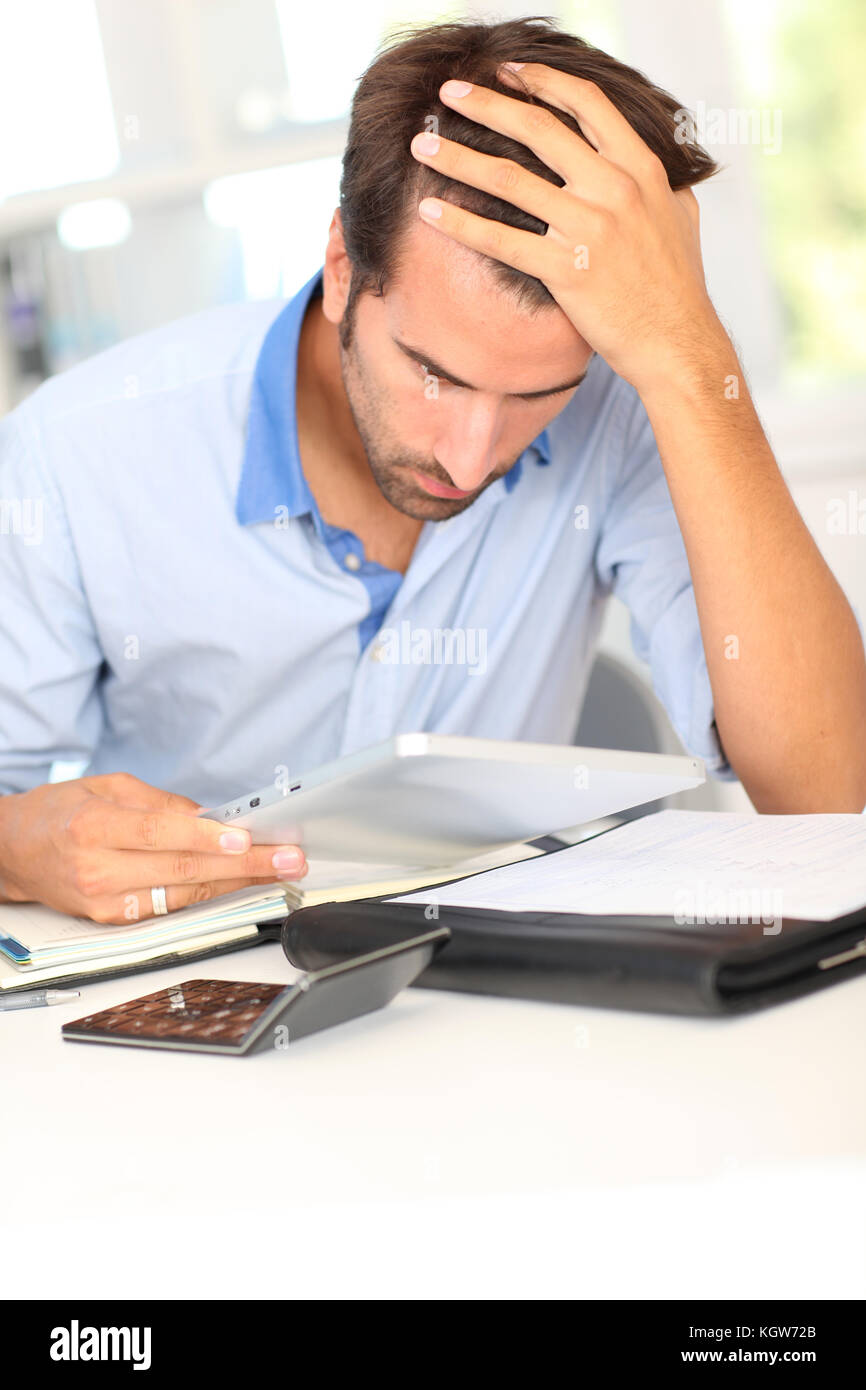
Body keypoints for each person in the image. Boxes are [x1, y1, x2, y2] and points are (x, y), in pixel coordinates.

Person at [1, 18, 864, 926]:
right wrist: (20, 849)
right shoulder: (78, 453)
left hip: (491, 1005)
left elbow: (825, 790)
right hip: (191, 1003)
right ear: (342, 267)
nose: (469, 456)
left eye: (539, 394)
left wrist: (692, 360)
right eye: (435, 374)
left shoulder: (623, 406)